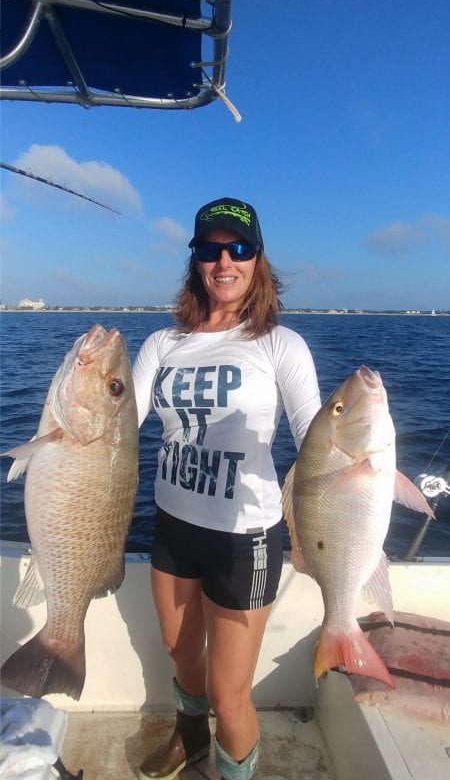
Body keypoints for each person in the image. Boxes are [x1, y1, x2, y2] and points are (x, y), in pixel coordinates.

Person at [133, 197, 321, 780]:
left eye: (238, 249)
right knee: (180, 655)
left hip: (246, 539)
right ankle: (189, 742)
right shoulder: (162, 344)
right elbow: (117, 421)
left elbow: (318, 440)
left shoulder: (278, 345)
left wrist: (361, 437)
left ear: (257, 260)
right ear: (195, 261)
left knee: (229, 694)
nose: (224, 261)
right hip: (173, 526)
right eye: (211, 249)